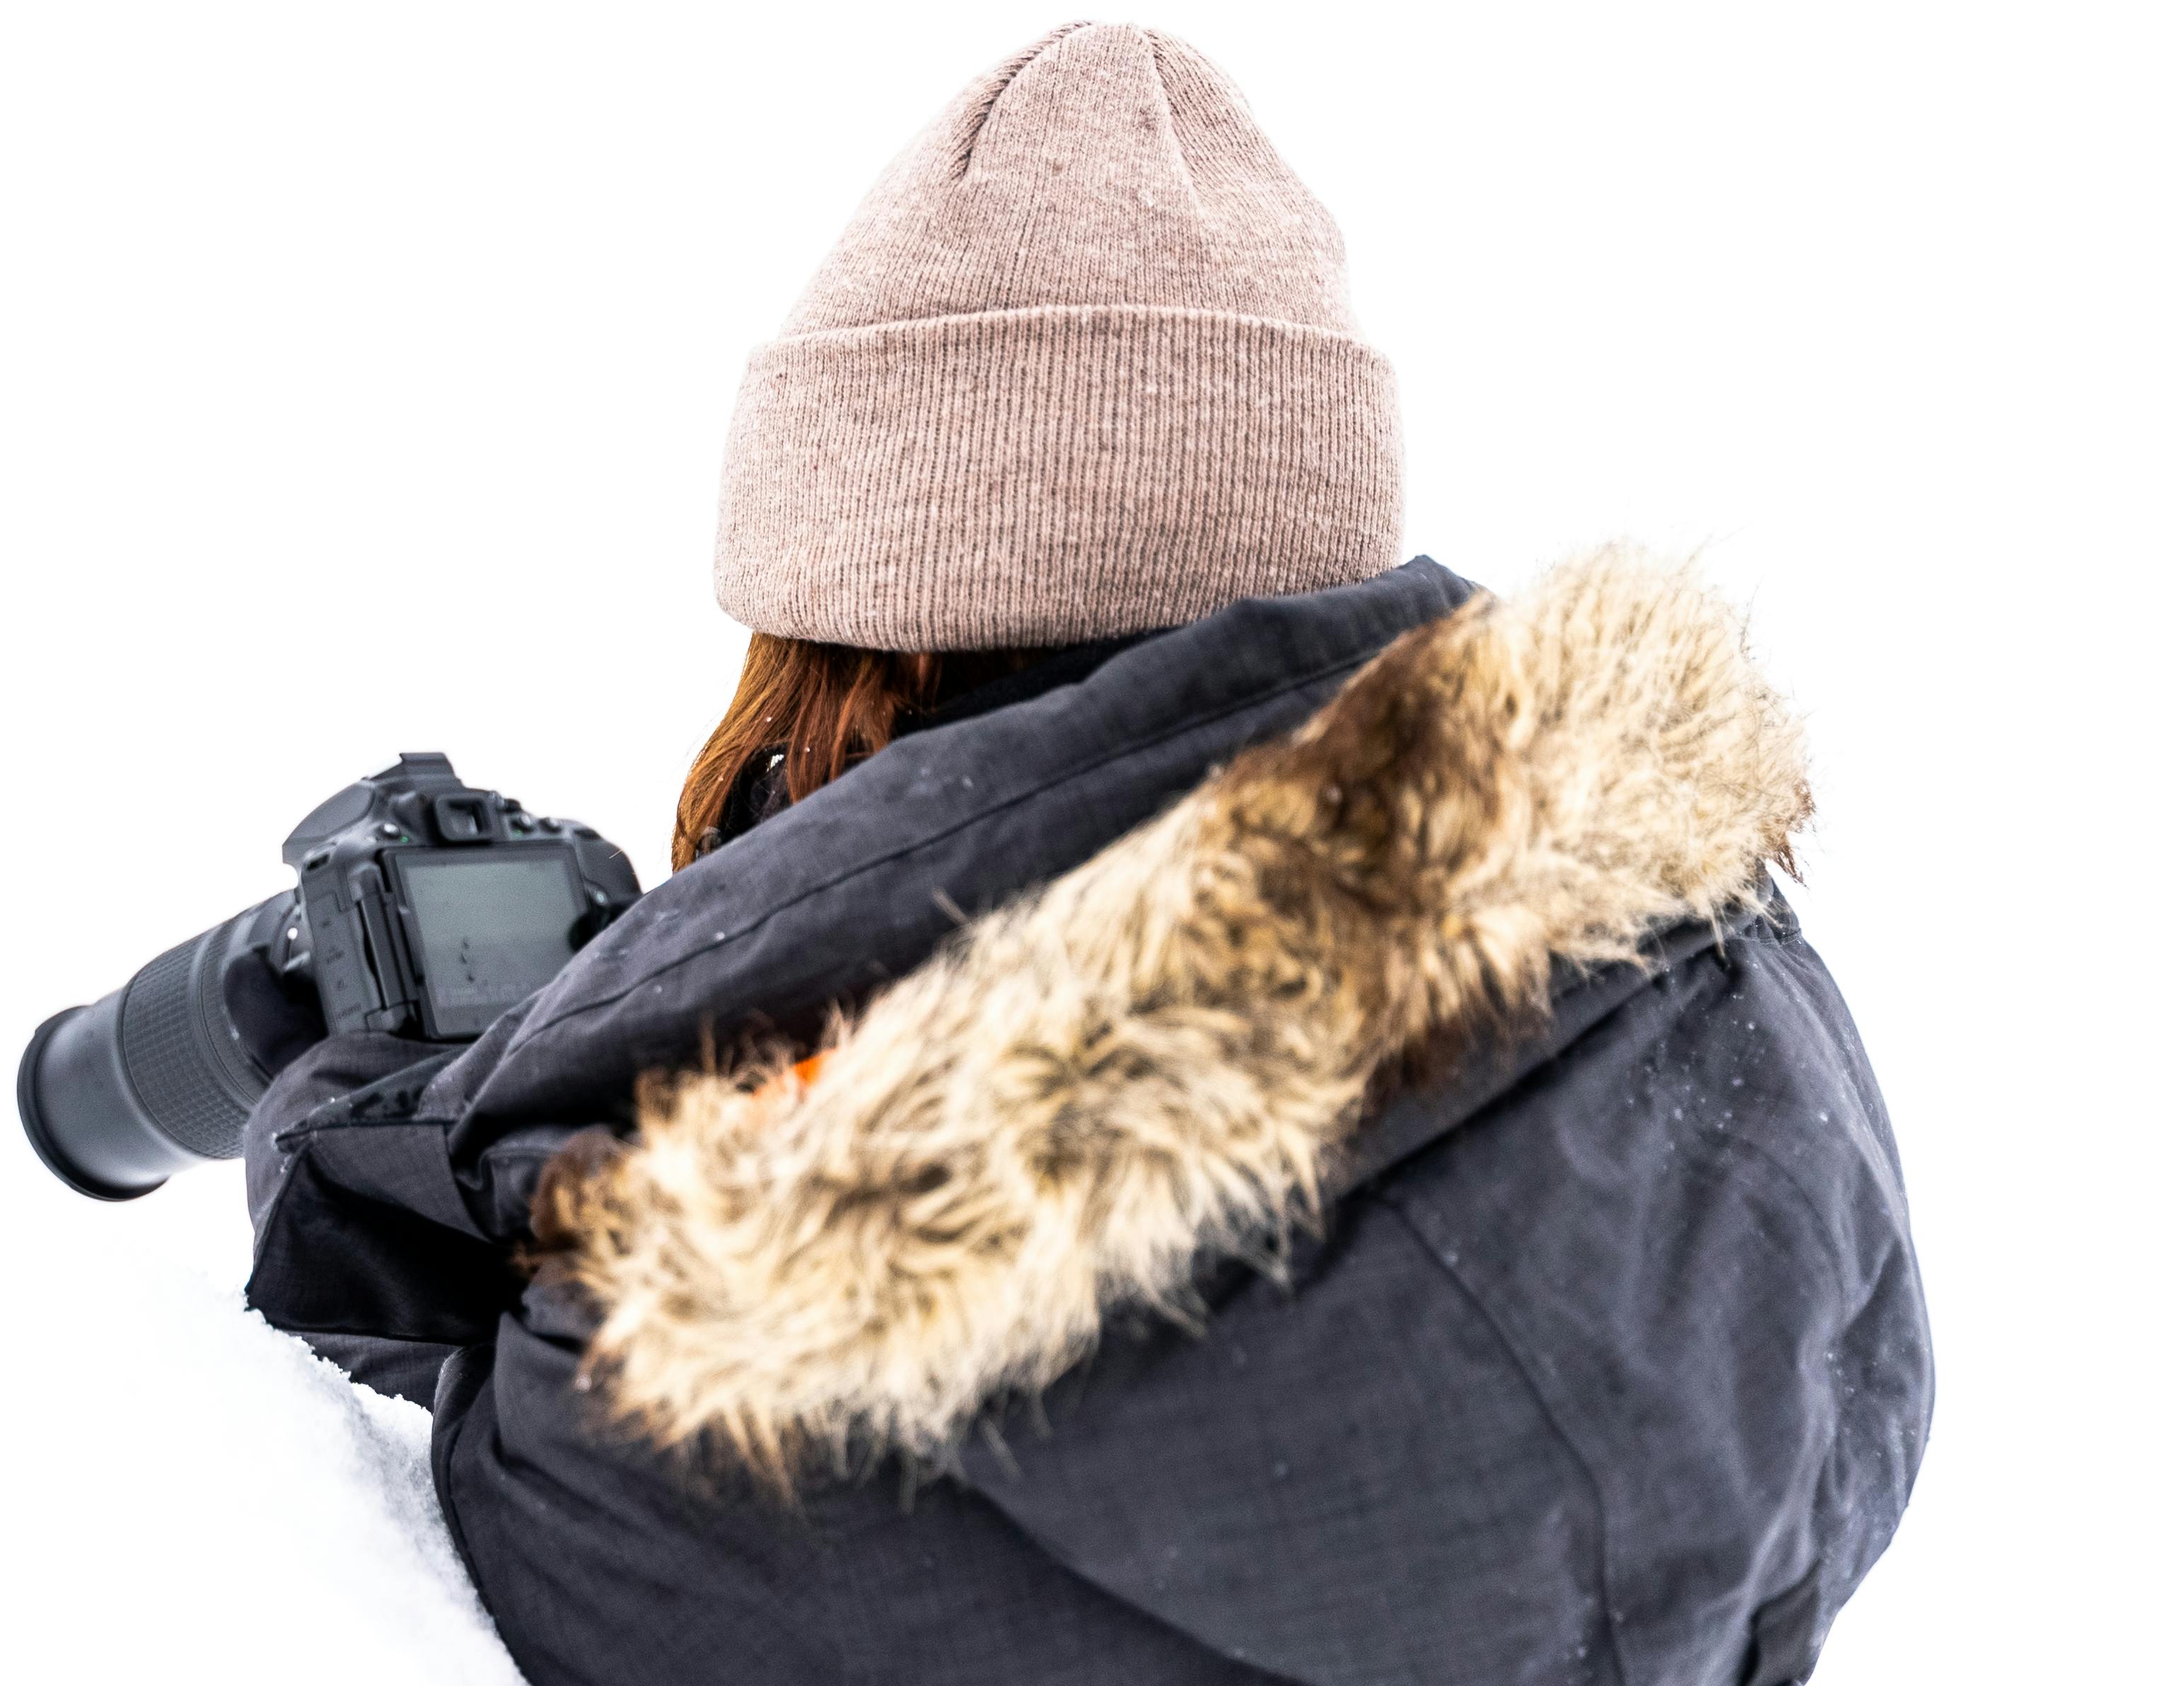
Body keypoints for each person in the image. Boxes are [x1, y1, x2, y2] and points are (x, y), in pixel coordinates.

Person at [241, 23, 1930, 1685]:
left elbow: (533, 1485)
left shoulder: (708, 1388)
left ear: (880, 651)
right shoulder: (1752, 1050)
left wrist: (396, 1111)